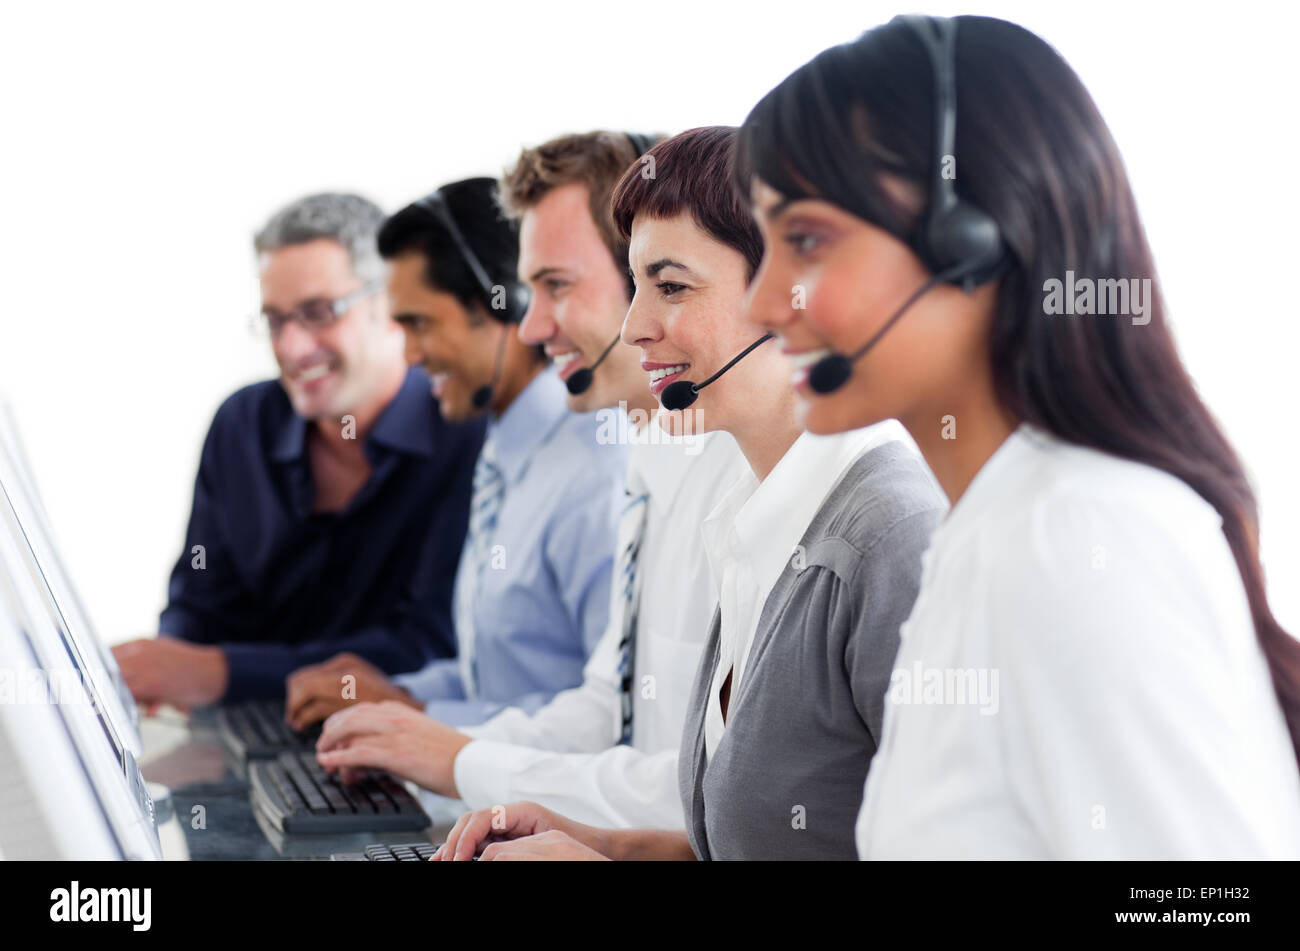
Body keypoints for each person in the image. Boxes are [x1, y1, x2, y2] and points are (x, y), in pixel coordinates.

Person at [737, 14, 1300, 858]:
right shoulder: (992, 530)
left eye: (806, 240)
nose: (765, 300)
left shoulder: (1075, 529)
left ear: (971, 242)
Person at [433, 126, 946, 860]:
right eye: (637, 286)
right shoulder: (741, 512)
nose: (636, 326)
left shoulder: (890, 537)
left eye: (670, 286)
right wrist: (608, 844)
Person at [311, 131, 750, 829]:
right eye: (528, 289)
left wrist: (459, 758)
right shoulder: (650, 461)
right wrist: (438, 746)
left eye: (556, 285)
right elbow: (608, 704)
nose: (531, 325)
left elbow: (714, 790)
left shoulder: (739, 484)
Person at [113, 193, 484, 707]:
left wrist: (222, 673)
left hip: (398, 755)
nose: (291, 348)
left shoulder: (466, 436)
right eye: (275, 320)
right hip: (240, 742)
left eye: (318, 313)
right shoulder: (241, 427)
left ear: (391, 307)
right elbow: (199, 603)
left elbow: (430, 647)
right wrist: (165, 664)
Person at [285, 178, 627, 731]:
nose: (411, 355)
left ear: (504, 305)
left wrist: (418, 716)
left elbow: (612, 721)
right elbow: (499, 681)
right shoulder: (504, 454)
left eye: (420, 324)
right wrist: (394, 692)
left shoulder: (595, 478)